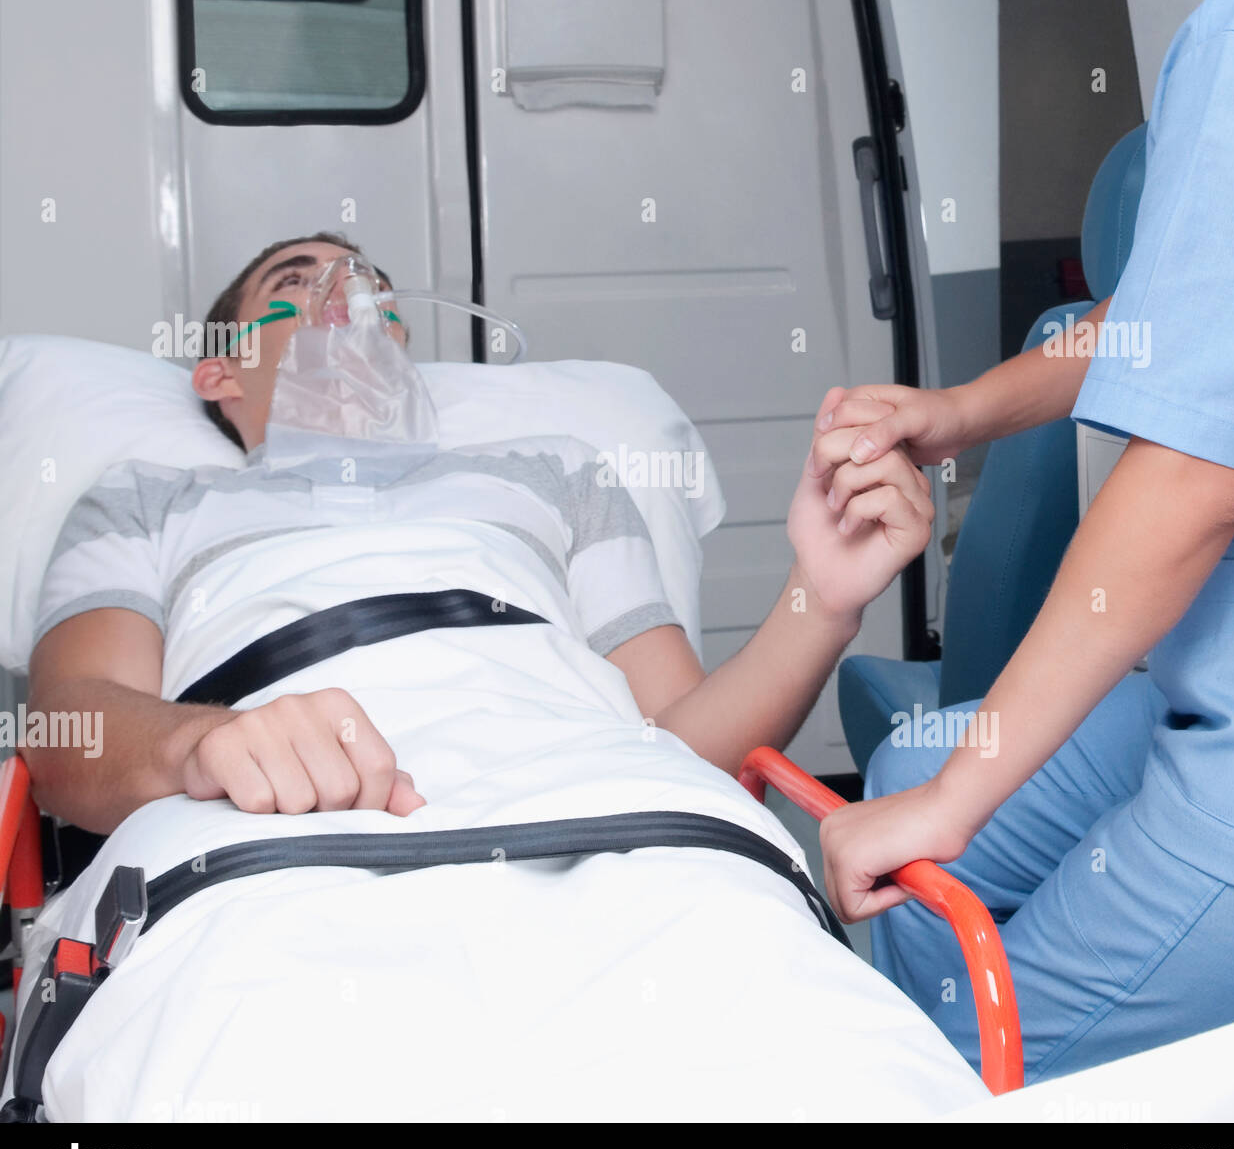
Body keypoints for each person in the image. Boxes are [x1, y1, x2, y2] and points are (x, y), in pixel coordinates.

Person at [816, 0, 1234, 1081]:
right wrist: (957, 412)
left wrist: (953, 803)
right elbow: (1166, 313)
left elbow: (1192, 476)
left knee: (956, 1020)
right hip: (1223, 671)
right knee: (919, 759)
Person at [27, 232, 934, 833]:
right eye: (296, 281)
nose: (342, 294)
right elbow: (68, 732)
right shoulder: (149, 497)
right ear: (219, 373)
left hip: (591, 814)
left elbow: (682, 744)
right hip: (281, 818)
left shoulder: (556, 470)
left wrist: (822, 600)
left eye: (368, 285)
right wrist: (203, 747)